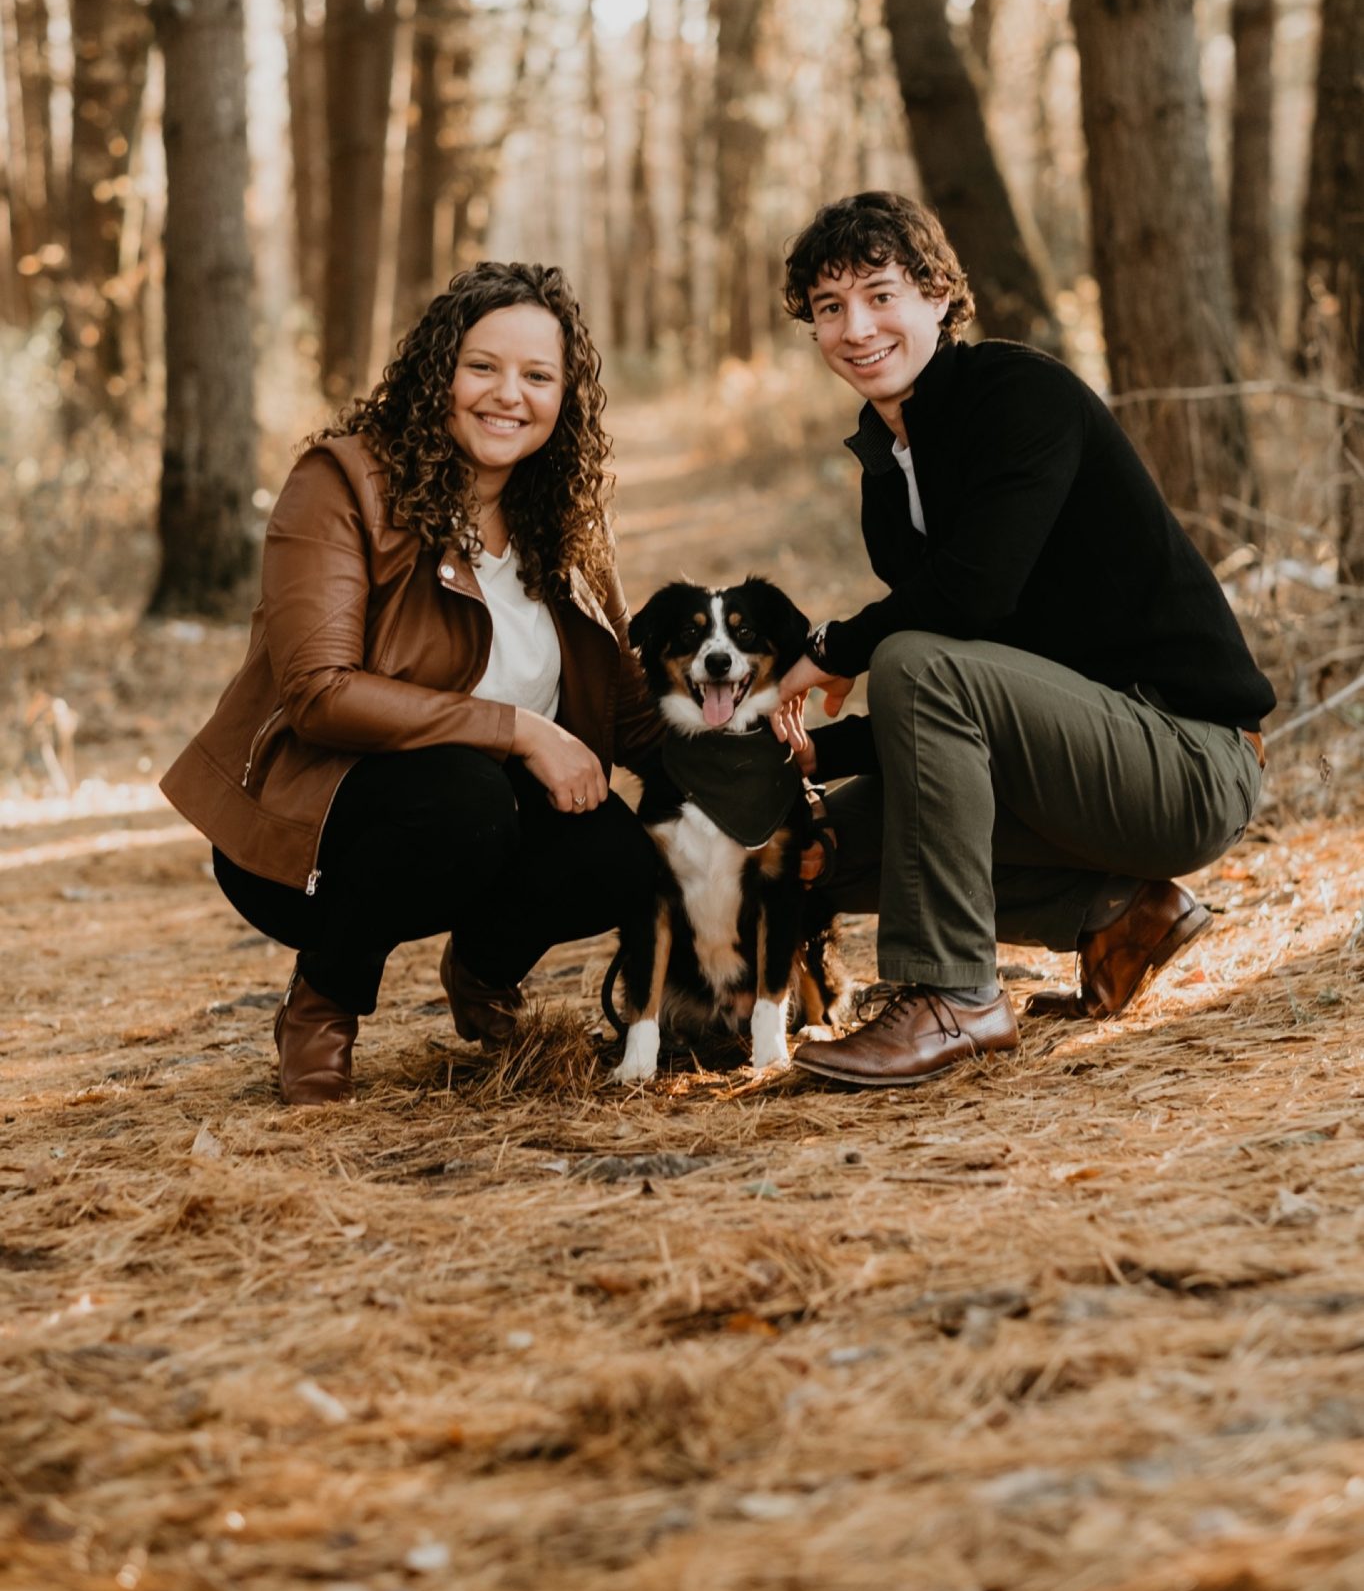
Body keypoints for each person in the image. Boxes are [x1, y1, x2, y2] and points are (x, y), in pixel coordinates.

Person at [771, 193, 1273, 1089]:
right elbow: (967, 701)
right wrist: (808, 757)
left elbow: (971, 600)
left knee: (913, 662)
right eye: (829, 307)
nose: (857, 327)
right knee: (810, 852)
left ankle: (954, 993)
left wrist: (834, 644)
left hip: (1189, 757)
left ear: (937, 295)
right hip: (1072, 765)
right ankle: (1118, 912)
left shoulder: (1019, 398)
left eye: (882, 295)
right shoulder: (888, 464)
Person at [162, 262, 661, 1105]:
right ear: (440, 371)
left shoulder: (567, 516)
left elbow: (629, 710)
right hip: (316, 831)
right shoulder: (343, 483)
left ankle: (482, 969)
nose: (509, 395)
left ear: (565, 397)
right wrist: (521, 730)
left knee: (617, 853)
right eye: (483, 367)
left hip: (483, 825)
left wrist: (761, 730)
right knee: (464, 798)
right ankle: (323, 1000)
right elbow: (318, 689)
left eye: (538, 376)